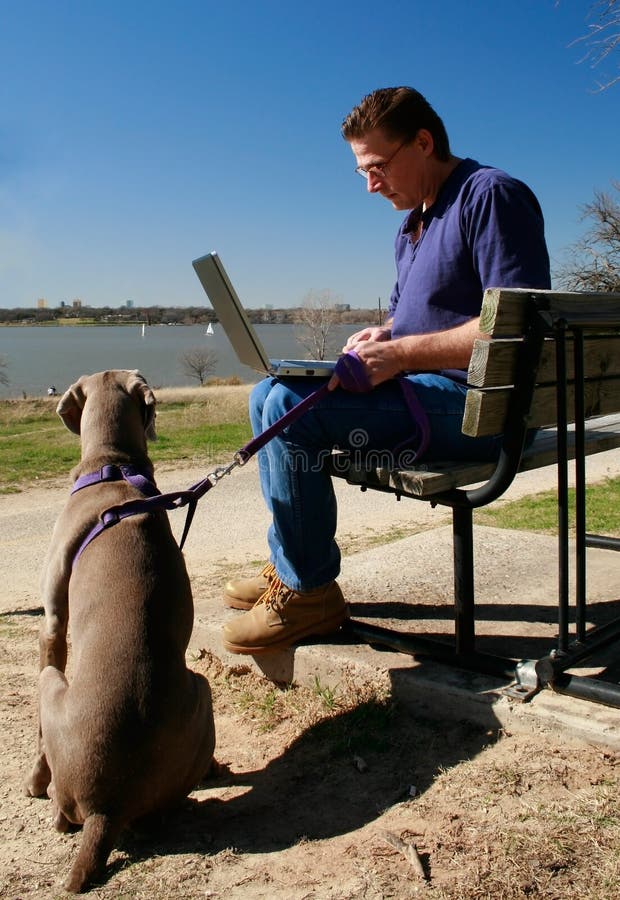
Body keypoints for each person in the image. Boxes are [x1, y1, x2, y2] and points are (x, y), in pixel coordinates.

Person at [221, 86, 551, 655]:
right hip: (434, 396)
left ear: (423, 142)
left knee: (282, 404)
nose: (370, 184)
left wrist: (399, 355)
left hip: (486, 410)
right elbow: (423, 316)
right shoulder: (411, 226)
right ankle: (294, 568)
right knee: (271, 391)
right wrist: (388, 332)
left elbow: (516, 328)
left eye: (376, 167)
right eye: (361, 172)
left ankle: (309, 591)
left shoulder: (490, 196)